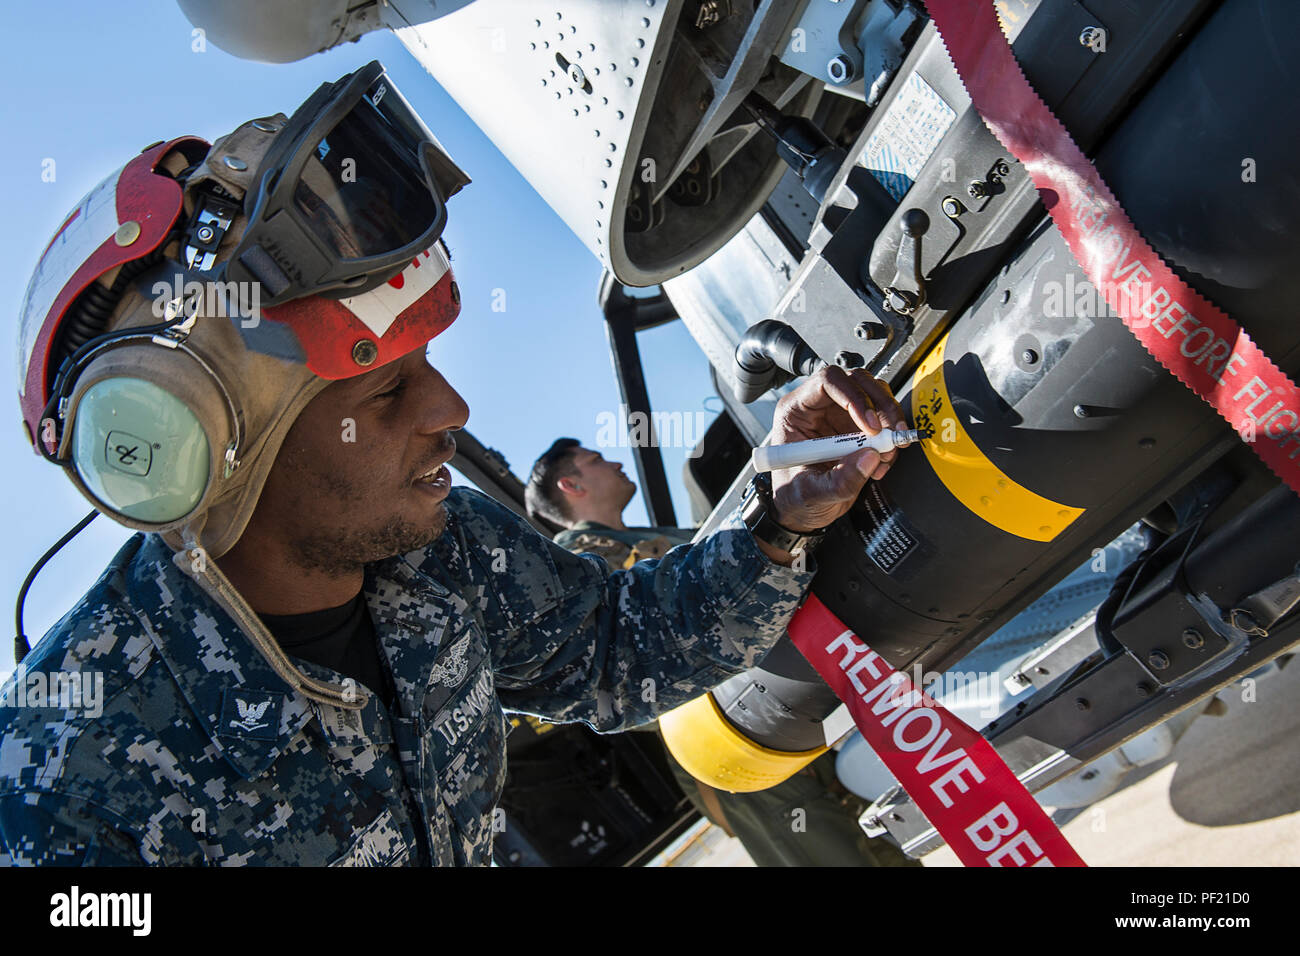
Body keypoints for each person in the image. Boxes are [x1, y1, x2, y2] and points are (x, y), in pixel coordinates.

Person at [0, 60, 903, 867]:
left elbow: (618, 649)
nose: (450, 412)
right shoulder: (59, 781)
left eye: (427, 365)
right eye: (385, 391)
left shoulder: (445, 553)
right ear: (201, 452)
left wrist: (780, 512)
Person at [526, 440, 919, 866]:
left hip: (782, 706)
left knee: (883, 842)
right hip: (731, 735)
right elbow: (616, 677)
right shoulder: (580, 570)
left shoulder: (647, 542)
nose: (617, 462)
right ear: (570, 485)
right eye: (596, 460)